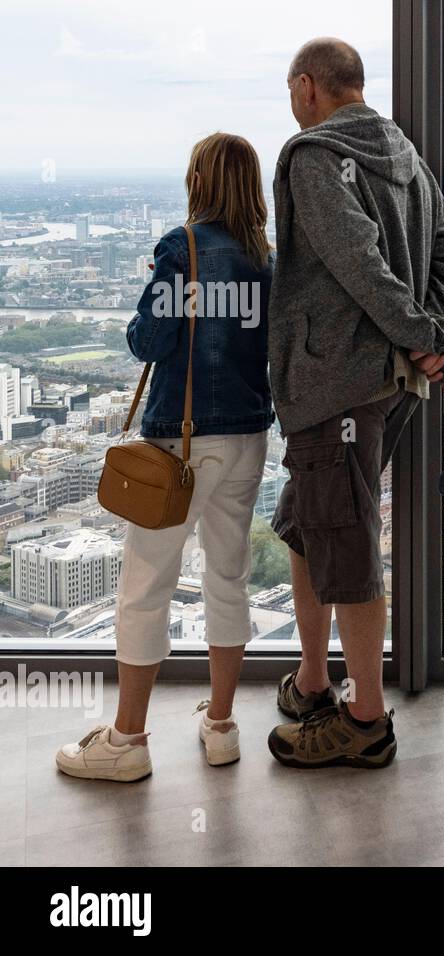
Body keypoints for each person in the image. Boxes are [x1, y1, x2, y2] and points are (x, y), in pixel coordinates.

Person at [266, 37, 444, 769]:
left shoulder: (315, 158)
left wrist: (427, 340)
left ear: (307, 87)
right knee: (304, 524)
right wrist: (428, 338)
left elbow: (360, 267)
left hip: (338, 388)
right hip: (386, 386)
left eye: (292, 94)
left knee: (346, 544)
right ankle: (314, 679)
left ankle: (364, 721)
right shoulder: (407, 157)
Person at [56, 133, 276, 781]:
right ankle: (222, 727)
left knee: (145, 588)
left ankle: (126, 743)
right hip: (249, 437)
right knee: (228, 580)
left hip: (181, 442)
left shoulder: (181, 249)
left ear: (199, 180)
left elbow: (146, 339)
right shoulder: (267, 258)